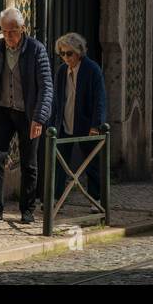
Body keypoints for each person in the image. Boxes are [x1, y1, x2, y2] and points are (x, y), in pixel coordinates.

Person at [0, 6, 53, 224]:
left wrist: (39, 117)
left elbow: (47, 86)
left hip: (28, 114)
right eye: (4, 31)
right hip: (2, 111)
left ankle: (27, 209)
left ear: (22, 29)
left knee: (29, 163)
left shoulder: (36, 50)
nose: (8, 36)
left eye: (12, 31)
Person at [51, 32, 107, 206]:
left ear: (79, 52)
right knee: (59, 164)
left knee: (92, 164)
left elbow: (100, 100)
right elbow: (57, 99)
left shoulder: (92, 70)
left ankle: (95, 199)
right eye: (62, 54)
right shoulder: (61, 71)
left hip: (86, 124)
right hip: (65, 123)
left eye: (69, 54)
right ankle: (56, 199)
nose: (66, 58)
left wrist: (96, 125)